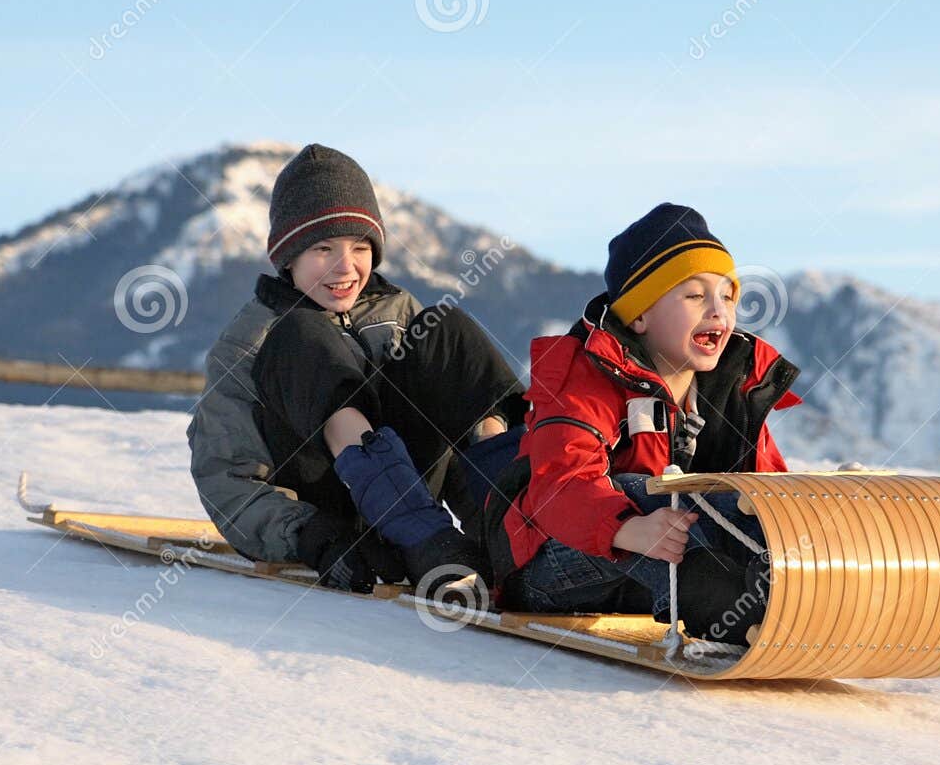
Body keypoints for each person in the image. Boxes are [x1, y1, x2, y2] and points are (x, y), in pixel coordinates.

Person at [187, 144, 526, 598]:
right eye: (324, 248)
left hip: (424, 504)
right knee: (303, 336)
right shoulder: (254, 340)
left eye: (359, 247)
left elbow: (451, 417)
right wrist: (313, 538)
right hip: (333, 519)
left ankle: (516, 520)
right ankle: (419, 531)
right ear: (288, 257)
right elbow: (225, 475)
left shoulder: (401, 312)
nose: (345, 267)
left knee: (448, 329)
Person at [483, 203, 801, 641]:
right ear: (639, 315)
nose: (718, 311)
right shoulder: (588, 375)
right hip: (552, 562)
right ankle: (729, 606)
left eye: (728, 295)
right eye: (694, 295)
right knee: (646, 489)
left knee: (747, 503)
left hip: (664, 559)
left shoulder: (733, 386)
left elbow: (766, 490)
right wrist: (628, 529)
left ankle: (789, 594)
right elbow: (560, 483)